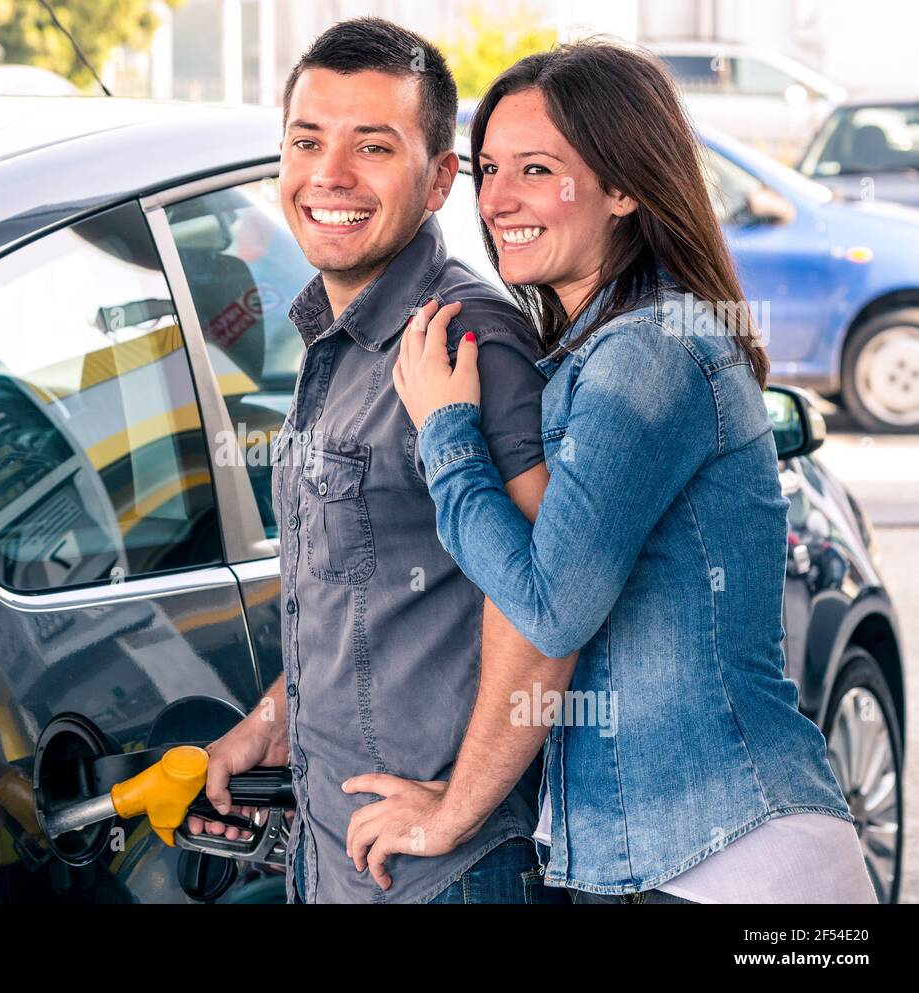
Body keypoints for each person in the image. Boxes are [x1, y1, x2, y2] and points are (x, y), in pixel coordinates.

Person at [351, 39, 876, 903]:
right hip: (655, 860)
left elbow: (553, 608)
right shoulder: (594, 353)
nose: (499, 199)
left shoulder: (649, 354)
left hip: (734, 862)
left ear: (626, 186)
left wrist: (447, 434)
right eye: (488, 170)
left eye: (537, 168)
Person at [186, 16, 574, 903]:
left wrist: (455, 810)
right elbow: (354, 599)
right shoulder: (333, 340)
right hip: (333, 866)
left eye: (373, 147)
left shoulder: (470, 340)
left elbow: (552, 603)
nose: (330, 175)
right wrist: (267, 724)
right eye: (307, 141)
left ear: (440, 180)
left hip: (450, 876)